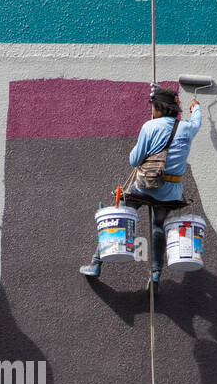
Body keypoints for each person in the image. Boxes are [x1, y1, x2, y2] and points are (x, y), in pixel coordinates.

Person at [81, 86, 202, 293]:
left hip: (144, 188)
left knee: (119, 214)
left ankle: (96, 263)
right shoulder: (188, 128)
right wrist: (196, 107)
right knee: (157, 228)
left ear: (158, 108)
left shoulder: (150, 127)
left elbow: (134, 160)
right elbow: (197, 120)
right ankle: (155, 276)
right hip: (170, 193)